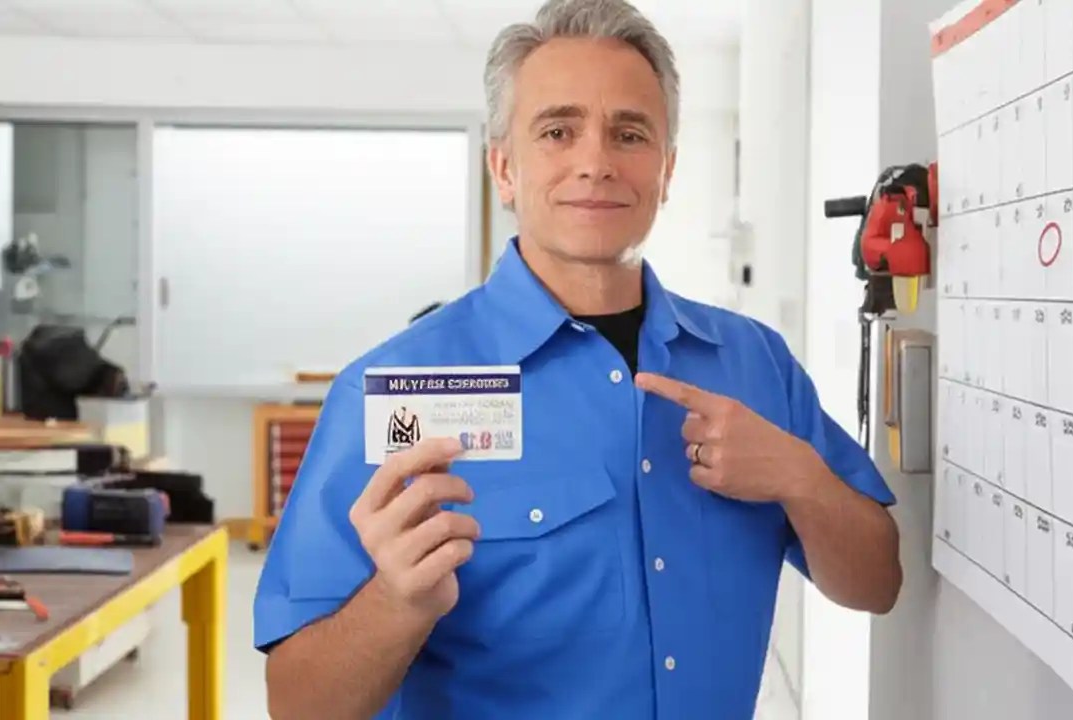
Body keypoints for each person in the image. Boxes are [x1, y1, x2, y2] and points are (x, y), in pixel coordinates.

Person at [254, 0, 902, 718]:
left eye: (630, 133)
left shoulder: (755, 364)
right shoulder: (391, 394)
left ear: (667, 170)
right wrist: (397, 601)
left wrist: (799, 478)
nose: (595, 162)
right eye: (558, 131)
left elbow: (877, 585)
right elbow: (298, 706)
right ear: (504, 167)